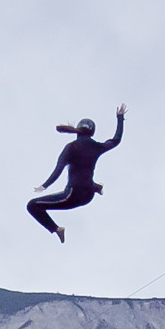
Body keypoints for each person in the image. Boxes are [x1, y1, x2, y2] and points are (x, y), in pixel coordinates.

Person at [27, 104, 126, 243]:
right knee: (85, 176)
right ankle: (96, 187)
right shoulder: (97, 146)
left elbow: (59, 168)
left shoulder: (71, 147)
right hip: (88, 195)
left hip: (73, 195)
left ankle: (56, 229)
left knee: (32, 206)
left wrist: (45, 185)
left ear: (78, 131)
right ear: (92, 132)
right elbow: (116, 140)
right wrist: (120, 118)